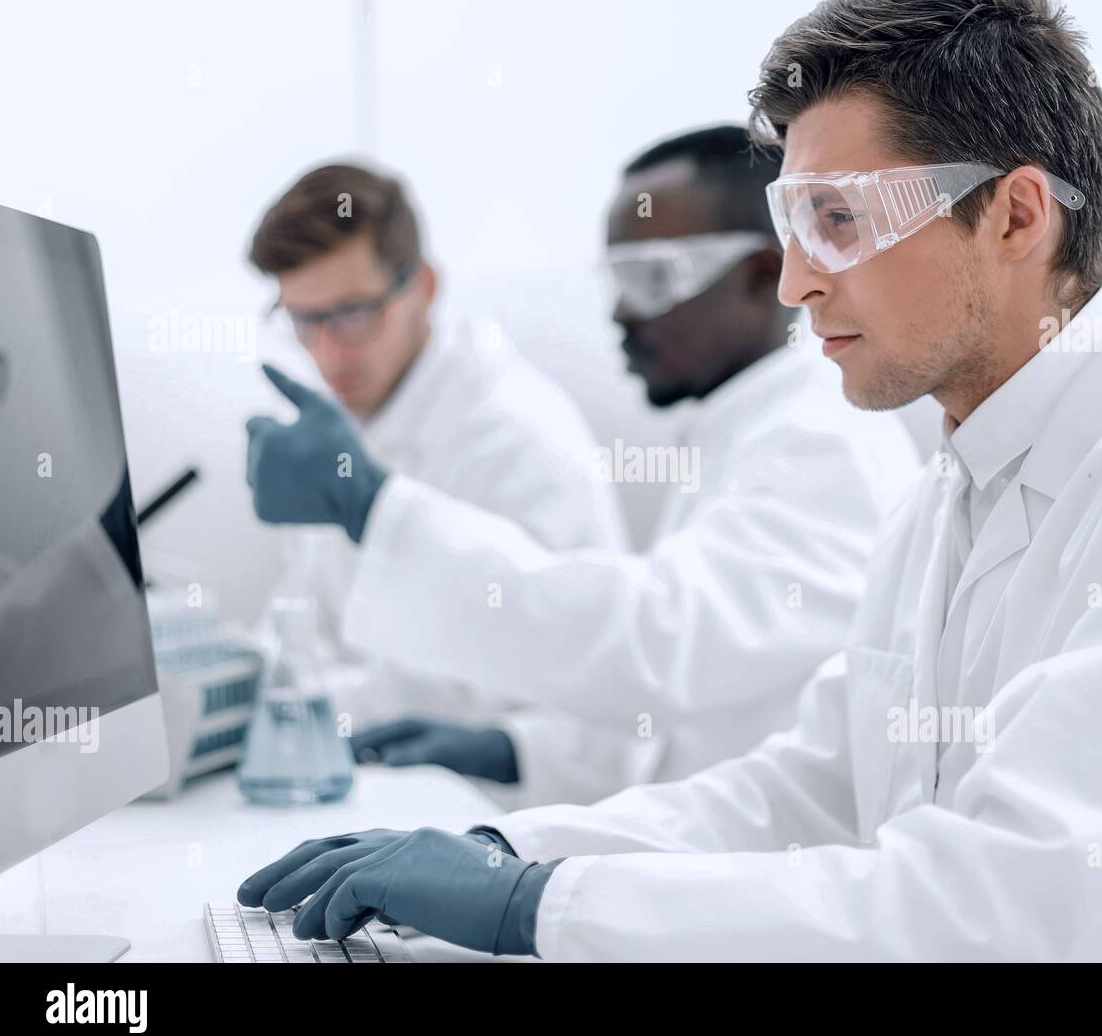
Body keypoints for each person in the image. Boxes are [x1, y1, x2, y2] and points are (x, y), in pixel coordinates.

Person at [241, 0, 1102, 962]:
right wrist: (511, 851)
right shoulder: (951, 488)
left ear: (1015, 215)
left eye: (837, 219)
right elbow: (809, 790)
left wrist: (541, 907)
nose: (792, 282)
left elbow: (1002, 917)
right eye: (793, 224)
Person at [245, 128, 921, 806]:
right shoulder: (744, 427)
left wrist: (371, 505)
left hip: (757, 859)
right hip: (700, 829)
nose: (621, 312)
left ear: (765, 273)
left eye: (651, 277)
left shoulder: (822, 442)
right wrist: (517, 753)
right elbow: (678, 712)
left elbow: (656, 647)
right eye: (616, 279)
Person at [245, 163, 627, 783]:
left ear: (422, 286)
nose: (327, 351)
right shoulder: (347, 420)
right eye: (303, 320)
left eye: (352, 315)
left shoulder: (514, 434)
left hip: (492, 799)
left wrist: (292, 704)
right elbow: (302, 622)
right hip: (357, 767)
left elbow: (529, 669)